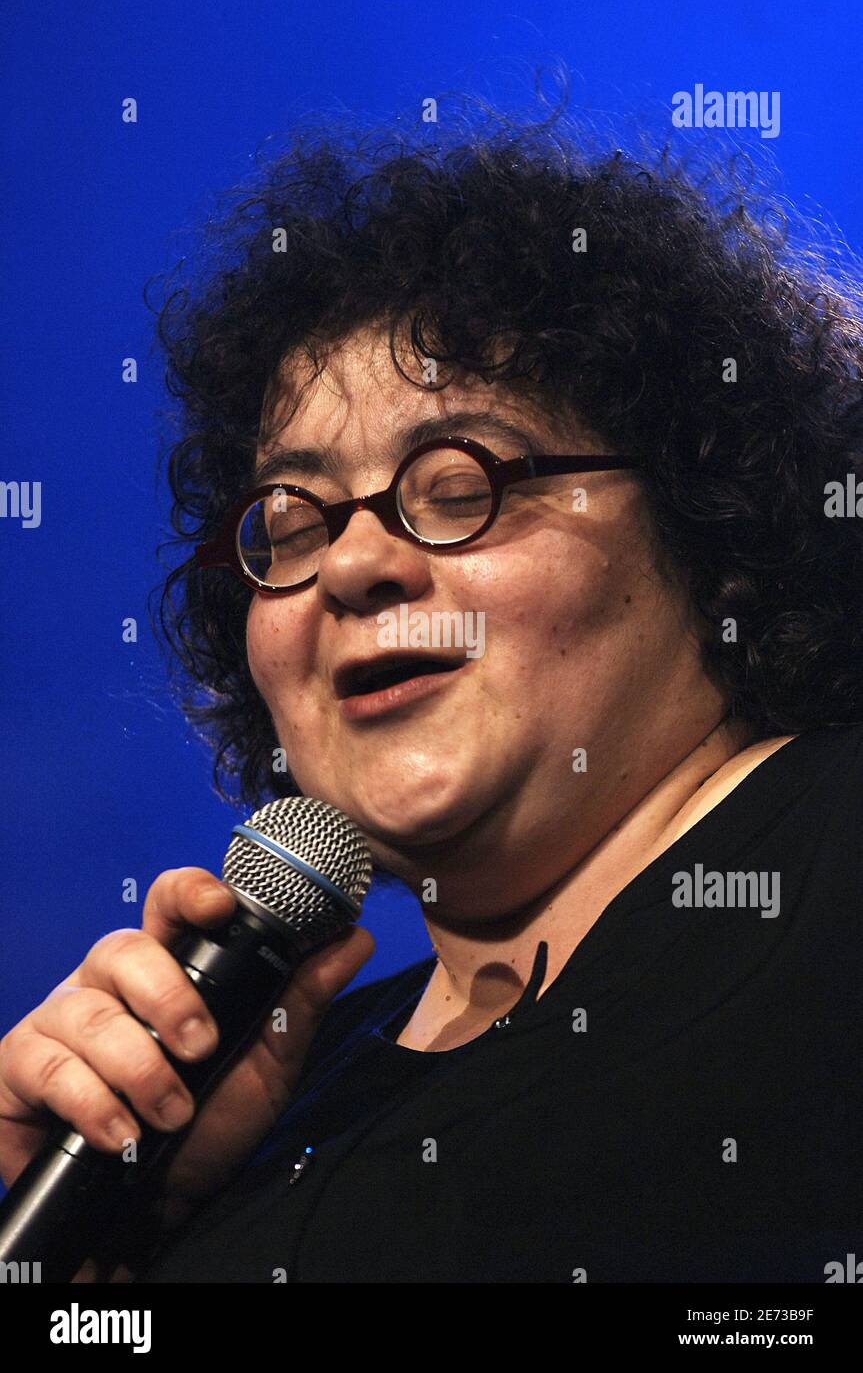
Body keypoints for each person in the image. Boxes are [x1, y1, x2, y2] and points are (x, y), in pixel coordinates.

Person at [1, 97, 862, 1283]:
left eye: (459, 484)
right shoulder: (259, 1090)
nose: (350, 563)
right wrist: (107, 1243)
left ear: (709, 525)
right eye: (292, 521)